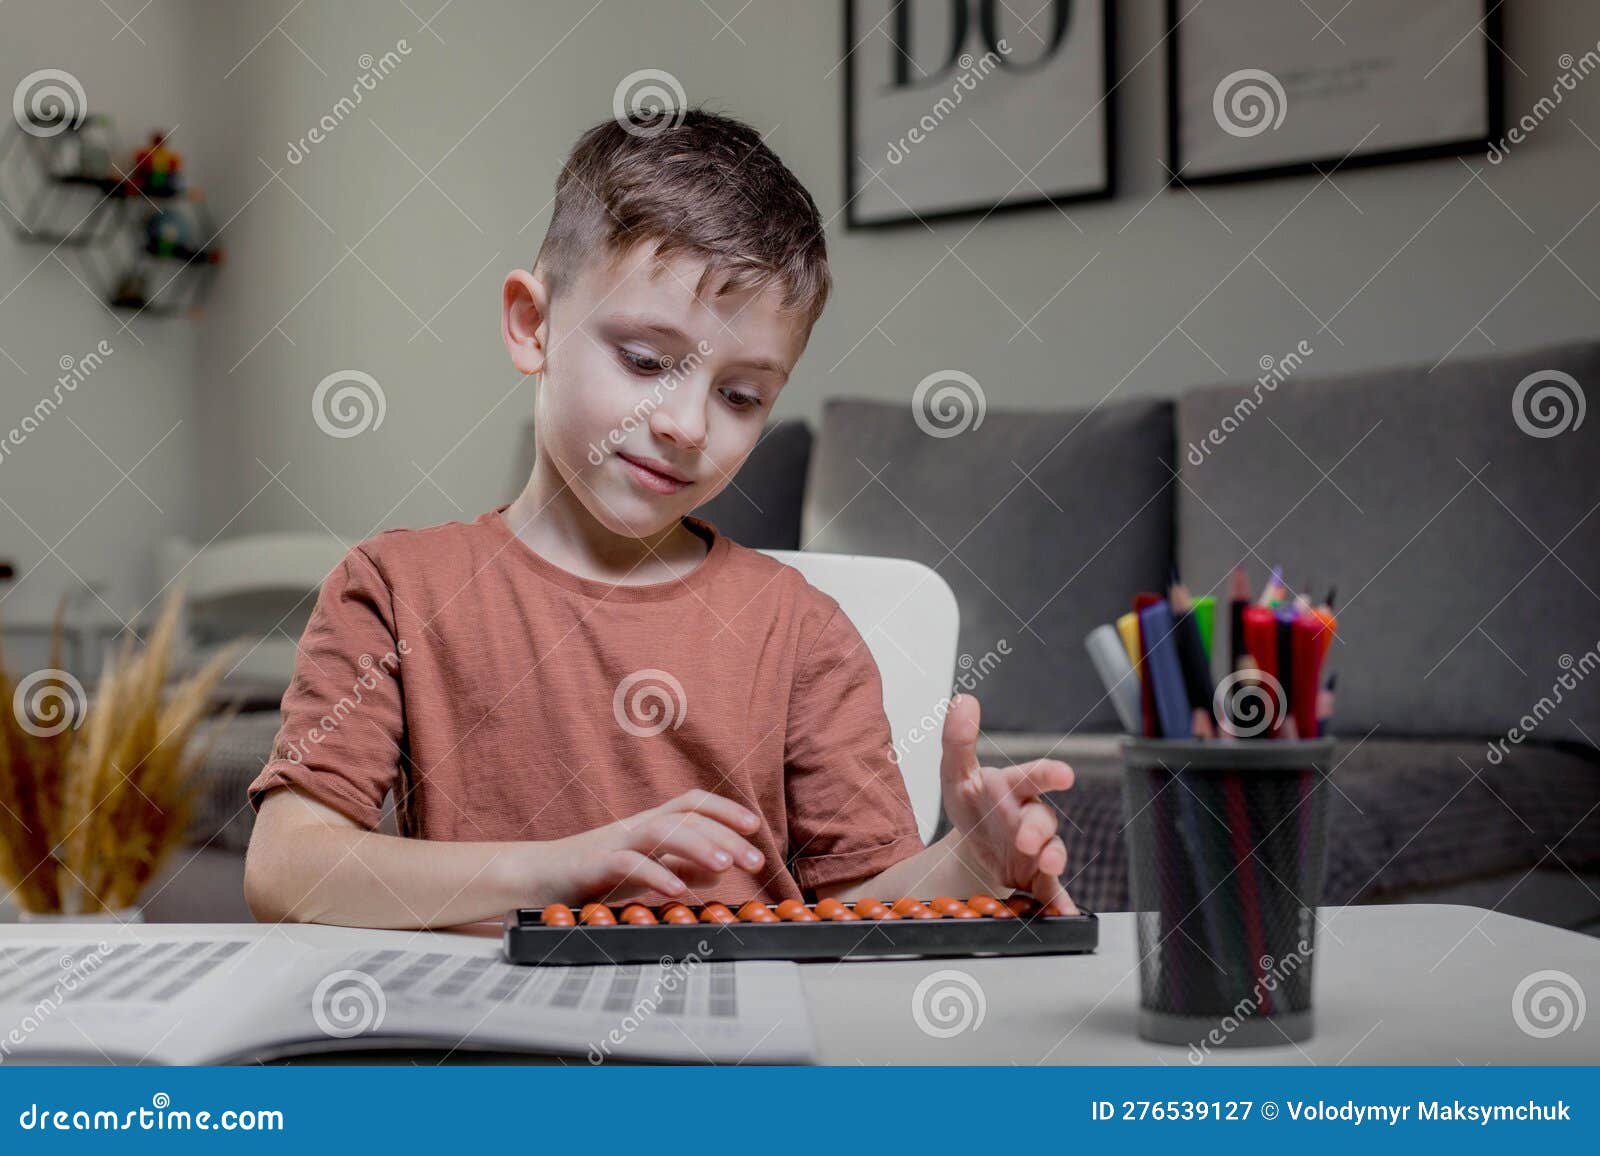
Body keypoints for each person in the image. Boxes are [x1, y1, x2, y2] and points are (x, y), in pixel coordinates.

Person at [243, 108, 1078, 929]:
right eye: (645, 361)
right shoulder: (395, 589)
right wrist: (564, 866)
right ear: (533, 326)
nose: (687, 423)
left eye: (741, 396)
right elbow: (287, 869)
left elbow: (860, 906)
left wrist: (970, 866)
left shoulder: (802, 635)